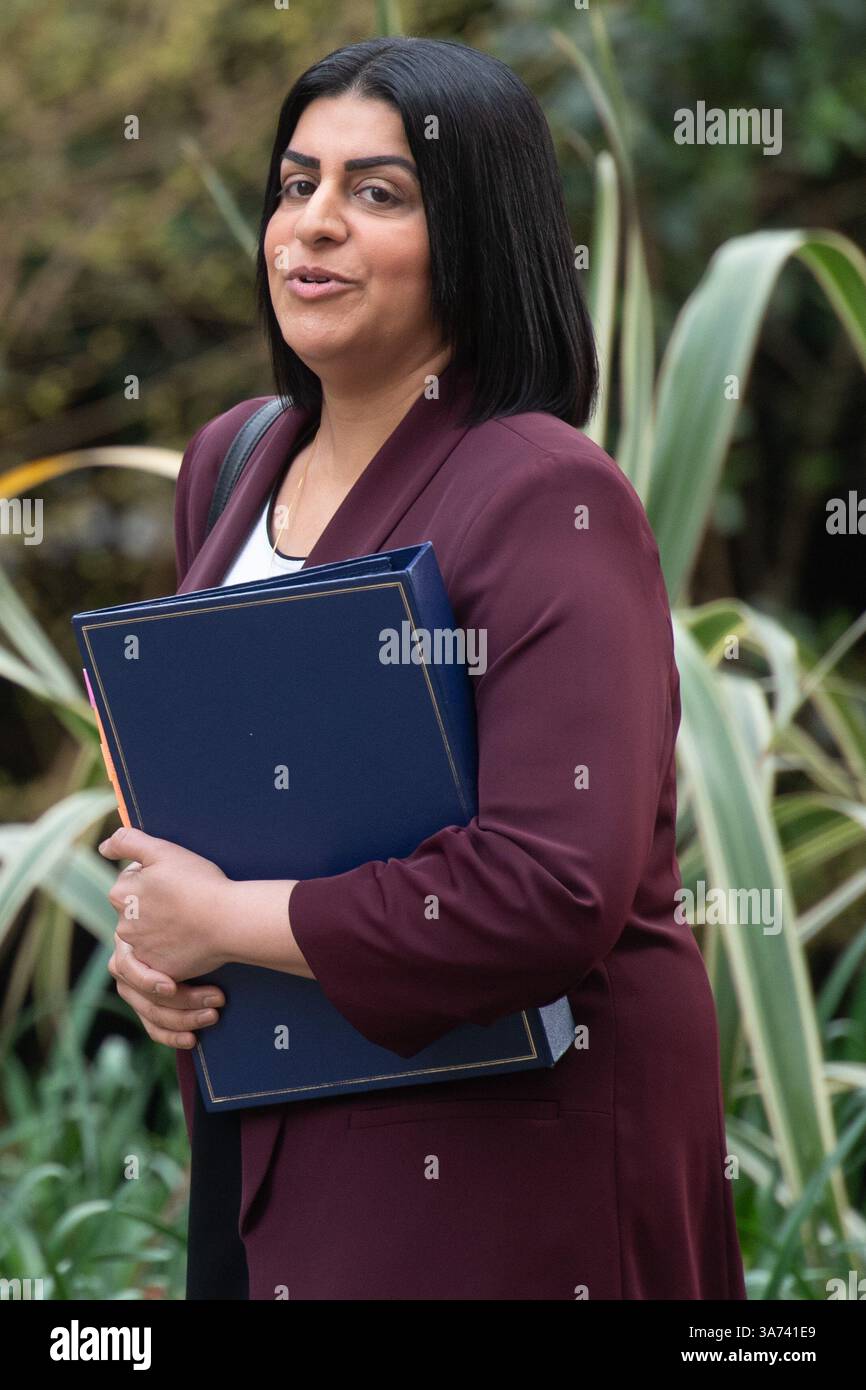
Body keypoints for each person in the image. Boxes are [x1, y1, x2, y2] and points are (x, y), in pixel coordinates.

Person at [102, 35, 748, 1300]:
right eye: (295, 185)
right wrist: (157, 941)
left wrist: (230, 918)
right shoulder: (231, 465)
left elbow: (546, 887)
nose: (313, 225)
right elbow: (218, 797)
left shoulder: (544, 492)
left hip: (506, 1173)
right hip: (271, 1134)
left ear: (475, 236)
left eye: (376, 192)